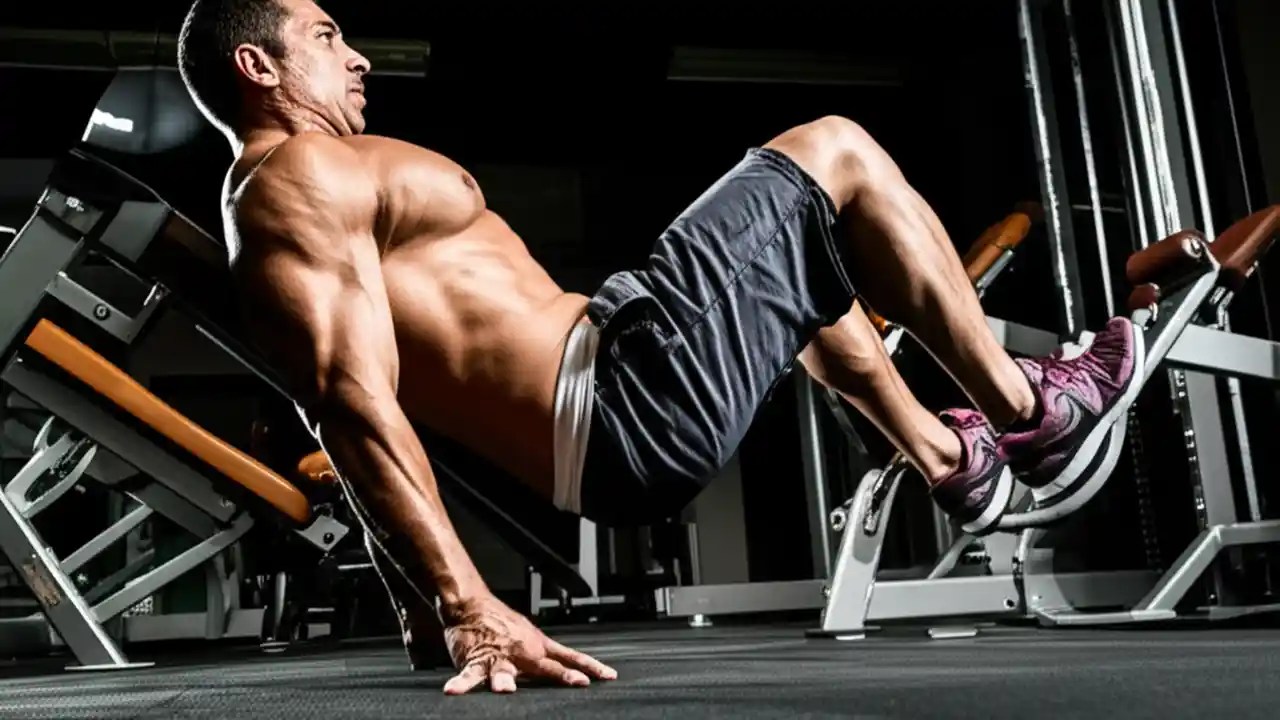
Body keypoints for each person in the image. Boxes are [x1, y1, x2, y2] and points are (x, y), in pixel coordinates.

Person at [177, 0, 1144, 695]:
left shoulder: (293, 193)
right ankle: (1035, 410)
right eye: (325, 36)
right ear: (258, 68)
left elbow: (340, 402)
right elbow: (352, 402)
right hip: (620, 399)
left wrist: (421, 611)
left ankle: (948, 458)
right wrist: (467, 603)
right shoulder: (295, 178)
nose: (358, 60)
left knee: (803, 265)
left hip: (611, 406)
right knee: (837, 148)